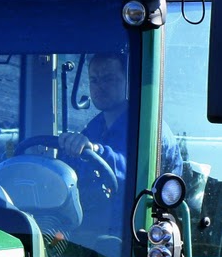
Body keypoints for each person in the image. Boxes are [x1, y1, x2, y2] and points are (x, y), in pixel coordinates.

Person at [57, 52, 182, 187]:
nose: (99, 86)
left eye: (108, 79)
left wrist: (95, 150)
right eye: (94, 80)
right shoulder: (94, 128)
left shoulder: (148, 127)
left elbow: (135, 173)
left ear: (128, 82)